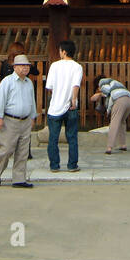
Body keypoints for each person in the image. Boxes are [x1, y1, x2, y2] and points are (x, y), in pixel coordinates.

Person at [0, 52, 38, 188]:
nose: (25, 68)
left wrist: (33, 116)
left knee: (23, 151)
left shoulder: (29, 82)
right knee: (6, 149)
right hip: (10, 120)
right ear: (15, 67)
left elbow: (32, 101)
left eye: (27, 66)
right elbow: (1, 100)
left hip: (25, 120)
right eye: (22, 66)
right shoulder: (7, 82)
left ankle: (19, 179)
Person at [44, 39, 84, 172]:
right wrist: (73, 99)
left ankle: (54, 165)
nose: (59, 52)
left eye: (60, 50)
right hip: (70, 106)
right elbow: (76, 85)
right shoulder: (77, 67)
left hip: (55, 106)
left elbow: (49, 86)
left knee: (53, 138)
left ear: (64, 51)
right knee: (72, 137)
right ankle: (72, 165)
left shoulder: (54, 66)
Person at [90, 75, 130, 154]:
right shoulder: (115, 82)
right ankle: (123, 144)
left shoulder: (102, 81)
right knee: (122, 121)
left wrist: (99, 94)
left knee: (114, 122)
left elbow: (107, 91)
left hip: (120, 100)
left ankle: (109, 147)